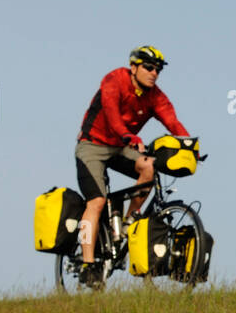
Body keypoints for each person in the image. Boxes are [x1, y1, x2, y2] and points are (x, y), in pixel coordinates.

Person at [74, 46, 191, 287]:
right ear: (134, 67)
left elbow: (172, 121)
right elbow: (111, 112)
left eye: (158, 70)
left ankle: (128, 222)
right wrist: (128, 135)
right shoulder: (114, 80)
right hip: (92, 146)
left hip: (120, 147)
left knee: (149, 166)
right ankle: (87, 264)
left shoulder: (155, 96)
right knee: (96, 201)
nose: (154, 73)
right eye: (148, 67)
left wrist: (189, 145)